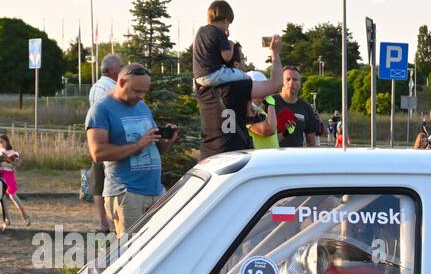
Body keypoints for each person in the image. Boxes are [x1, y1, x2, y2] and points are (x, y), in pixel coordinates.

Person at [85, 64, 179, 235]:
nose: (141, 96)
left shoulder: (142, 107)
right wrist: (137, 146)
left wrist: (167, 141)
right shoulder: (100, 110)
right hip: (126, 194)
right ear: (121, 82)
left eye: (144, 91)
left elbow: (156, 149)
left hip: (155, 190)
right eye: (136, 91)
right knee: (131, 252)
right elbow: (97, 153)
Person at [196, 36, 283, 160]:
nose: (245, 63)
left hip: (208, 157)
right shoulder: (239, 88)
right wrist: (275, 52)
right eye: (243, 58)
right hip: (232, 157)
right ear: (236, 65)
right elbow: (276, 83)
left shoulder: (202, 88)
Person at [88, 53, 125, 231]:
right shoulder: (112, 88)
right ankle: (111, 222)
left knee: (98, 182)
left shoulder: (95, 87)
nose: (123, 69)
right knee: (108, 182)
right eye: (121, 66)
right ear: (112, 70)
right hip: (109, 143)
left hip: (96, 140)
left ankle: (102, 222)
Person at [191, 0, 250, 93]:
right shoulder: (219, 33)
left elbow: (210, 47)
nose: (228, 27)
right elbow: (227, 57)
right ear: (225, 20)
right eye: (228, 24)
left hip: (198, 76)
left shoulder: (201, 31)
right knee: (245, 77)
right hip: (213, 74)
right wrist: (230, 43)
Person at [273, 68, 322, 148]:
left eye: (295, 80)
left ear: (300, 83)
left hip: (296, 158)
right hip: (272, 157)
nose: (291, 82)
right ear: (282, 82)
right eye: (288, 79)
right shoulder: (270, 103)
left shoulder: (306, 108)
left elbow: (311, 143)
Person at [0, 134, 29, 229]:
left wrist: (8, 160)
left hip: (8, 175)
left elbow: (17, 164)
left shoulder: (13, 152)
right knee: (0, 197)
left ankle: (24, 213)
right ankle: (6, 218)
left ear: (7, 142)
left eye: (2, 142)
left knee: (12, 196)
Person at [245, 71, 279, 150]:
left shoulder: (261, 112)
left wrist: (285, 134)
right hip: (257, 160)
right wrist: (271, 105)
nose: (267, 91)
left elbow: (271, 140)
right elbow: (269, 130)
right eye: (264, 87)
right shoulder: (246, 112)